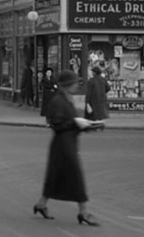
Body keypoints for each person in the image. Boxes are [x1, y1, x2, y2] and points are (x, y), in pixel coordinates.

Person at [33, 69, 102, 225]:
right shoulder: (58, 101)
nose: (76, 86)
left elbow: (68, 122)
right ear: (67, 85)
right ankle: (83, 212)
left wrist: (88, 126)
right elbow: (57, 124)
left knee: (55, 176)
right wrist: (76, 123)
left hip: (66, 143)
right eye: (74, 83)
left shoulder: (66, 99)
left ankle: (41, 204)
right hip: (64, 145)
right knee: (76, 177)